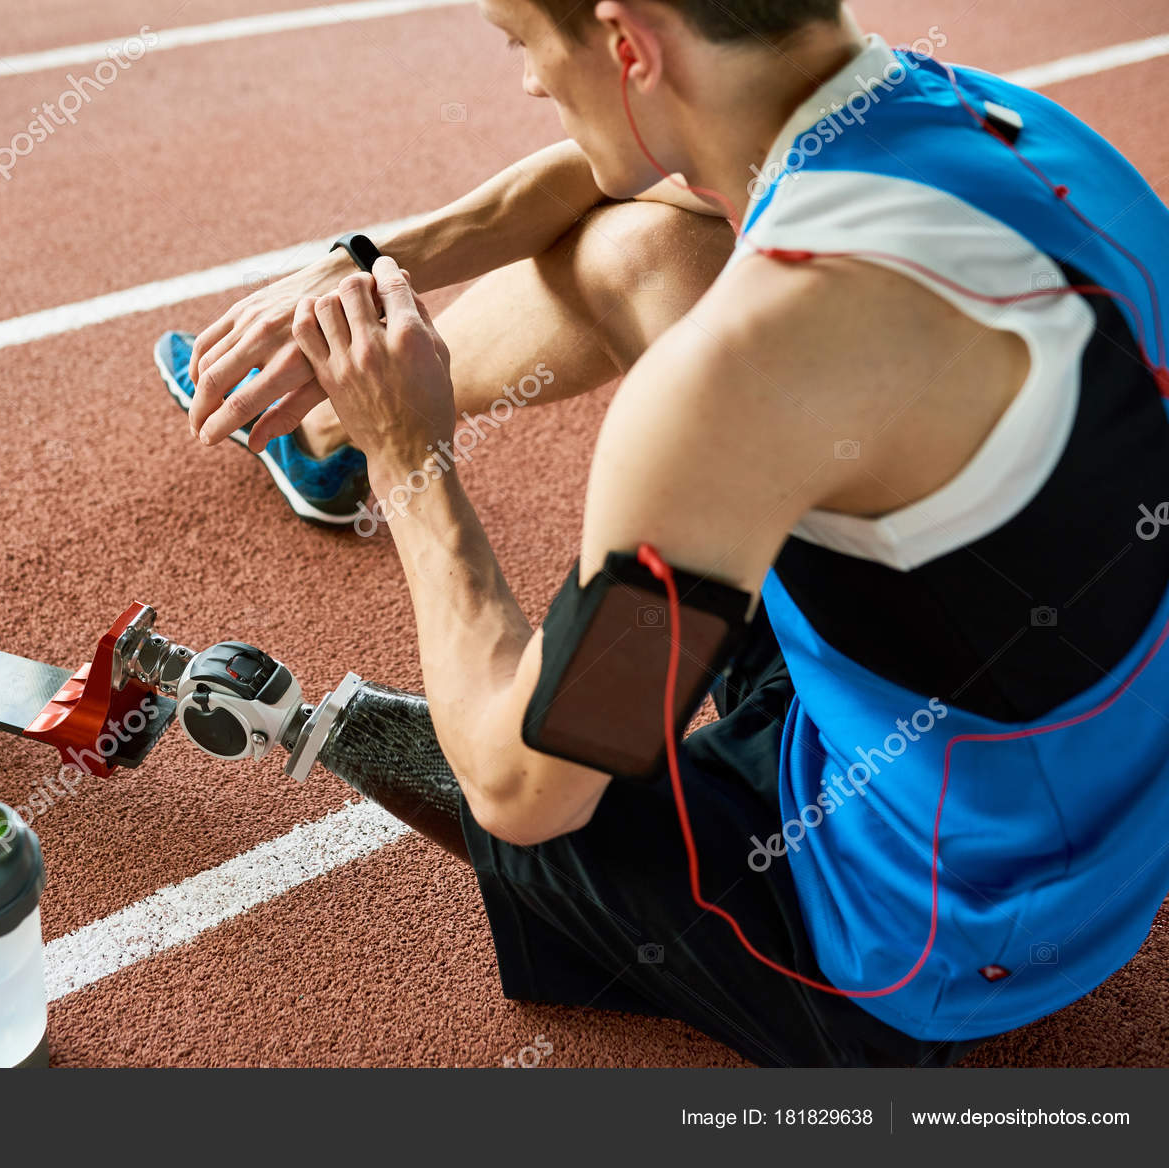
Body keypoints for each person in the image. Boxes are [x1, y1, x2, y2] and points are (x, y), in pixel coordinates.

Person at [156, 0, 1169, 1066]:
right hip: (1069, 754)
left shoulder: (744, 372)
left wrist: (412, 458)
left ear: (627, 43)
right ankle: (324, 437)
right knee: (650, 251)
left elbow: (522, 790)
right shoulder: (986, 120)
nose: (526, 83)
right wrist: (356, 262)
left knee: (530, 780)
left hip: (942, 932)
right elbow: (595, 181)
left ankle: (369, 446)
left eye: (522, 44)